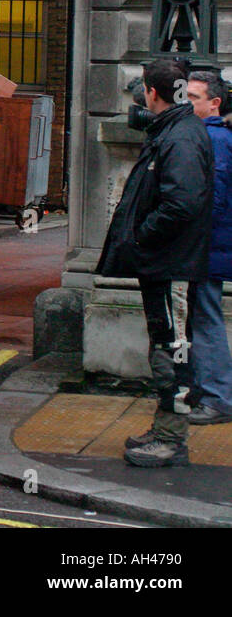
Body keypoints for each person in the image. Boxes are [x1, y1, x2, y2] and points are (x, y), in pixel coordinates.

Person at [97, 57, 213, 467]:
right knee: (166, 348)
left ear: (151, 92)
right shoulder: (175, 129)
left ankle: (171, 440)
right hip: (167, 264)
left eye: (144, 88)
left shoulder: (180, 137)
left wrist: (142, 235)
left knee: (172, 351)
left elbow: (181, 203)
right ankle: (164, 429)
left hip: (170, 264)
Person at [183, 71, 232, 424]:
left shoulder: (214, 139)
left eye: (193, 98)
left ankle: (216, 397)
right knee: (201, 318)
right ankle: (206, 391)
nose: (186, 104)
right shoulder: (211, 135)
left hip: (207, 245)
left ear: (214, 103)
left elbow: (211, 199)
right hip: (207, 245)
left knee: (206, 319)